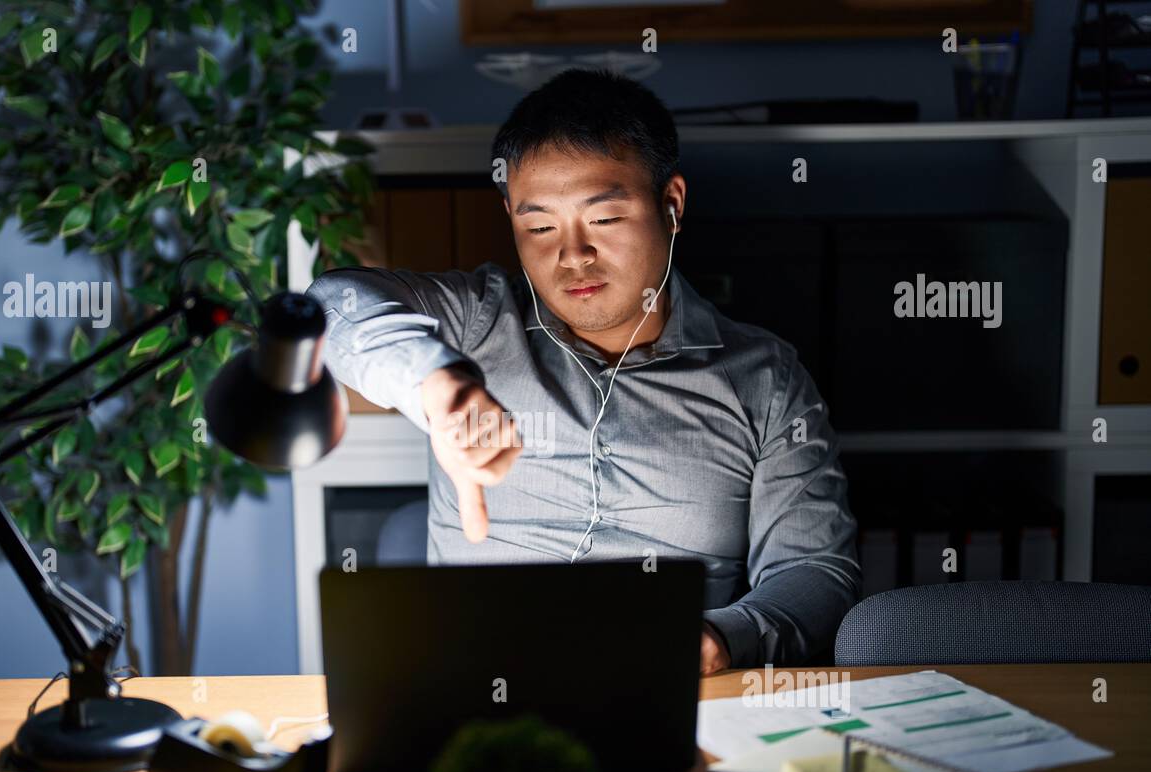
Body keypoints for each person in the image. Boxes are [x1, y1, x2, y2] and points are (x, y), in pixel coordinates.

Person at [307, 68, 861, 673]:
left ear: (671, 205)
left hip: (675, 690)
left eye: (603, 219)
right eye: (539, 226)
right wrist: (436, 384)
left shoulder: (765, 379)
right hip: (479, 686)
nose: (572, 255)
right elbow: (330, 306)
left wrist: (722, 638)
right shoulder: (474, 324)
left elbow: (815, 570)